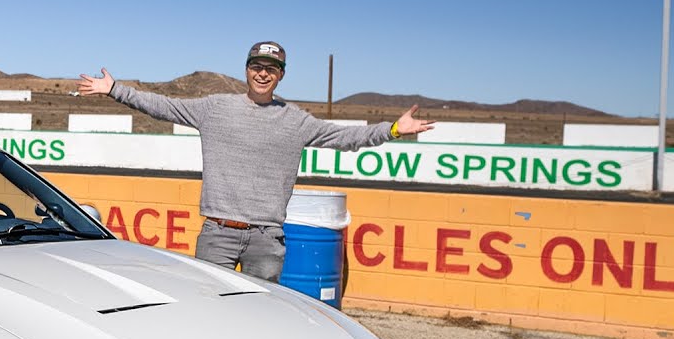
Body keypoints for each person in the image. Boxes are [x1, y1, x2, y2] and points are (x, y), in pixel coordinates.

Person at [77, 41, 435, 281]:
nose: (263, 73)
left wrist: (392, 130)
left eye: (272, 69)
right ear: (247, 70)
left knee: (262, 318)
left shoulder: (296, 121)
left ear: (281, 75)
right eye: (257, 66)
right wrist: (116, 90)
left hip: (267, 239)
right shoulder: (215, 109)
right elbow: (164, 106)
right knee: (206, 312)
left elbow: (344, 138)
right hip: (218, 234)